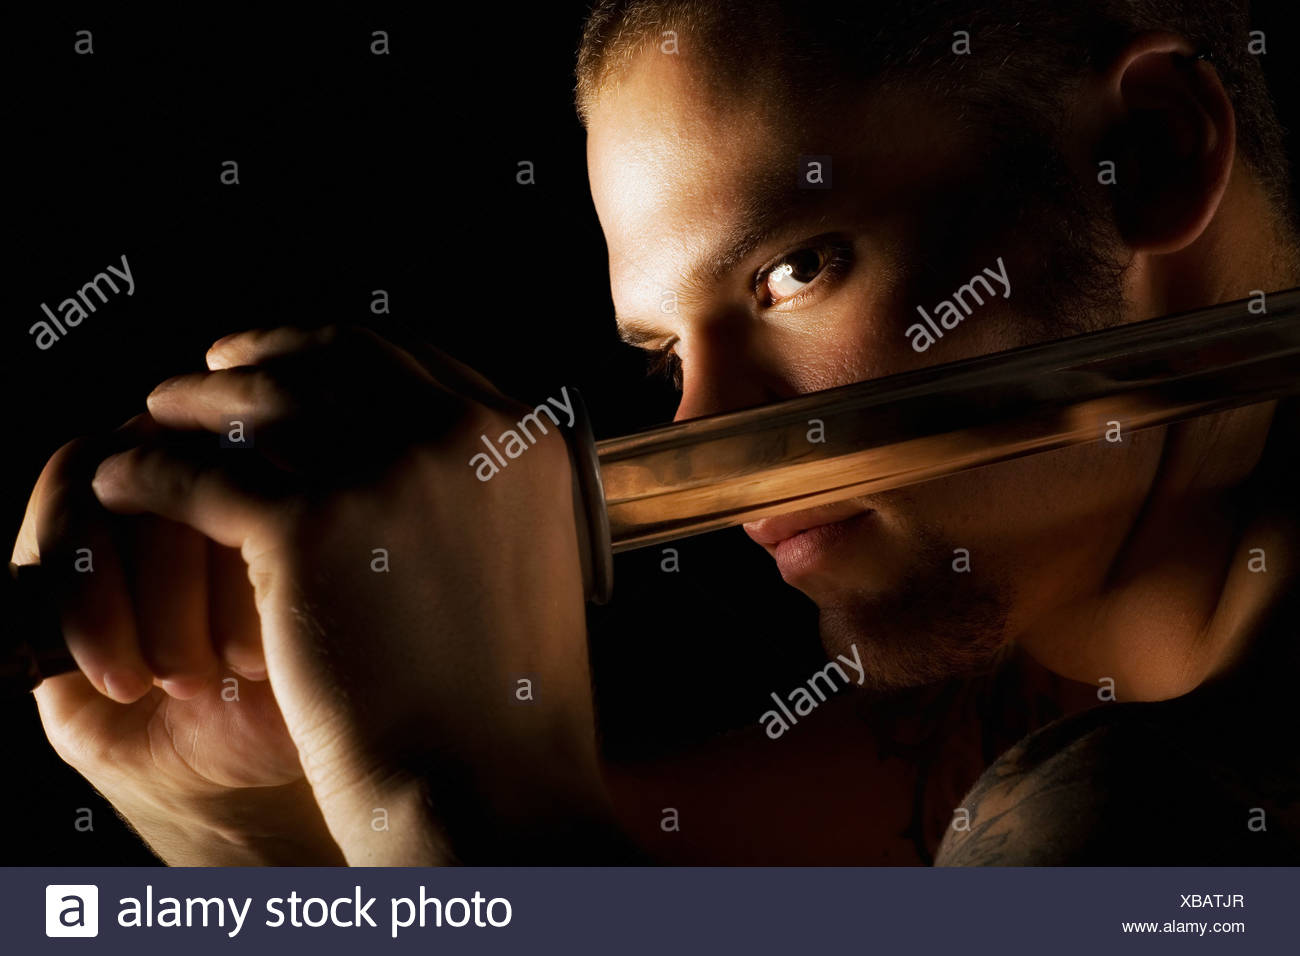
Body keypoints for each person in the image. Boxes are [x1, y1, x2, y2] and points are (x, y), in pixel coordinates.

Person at [15, 0, 1300, 864]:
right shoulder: (993, 715)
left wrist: (444, 782)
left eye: (797, 271)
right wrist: (256, 804)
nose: (708, 423)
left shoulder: (1146, 819)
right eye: (668, 352)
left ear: (1146, 151)